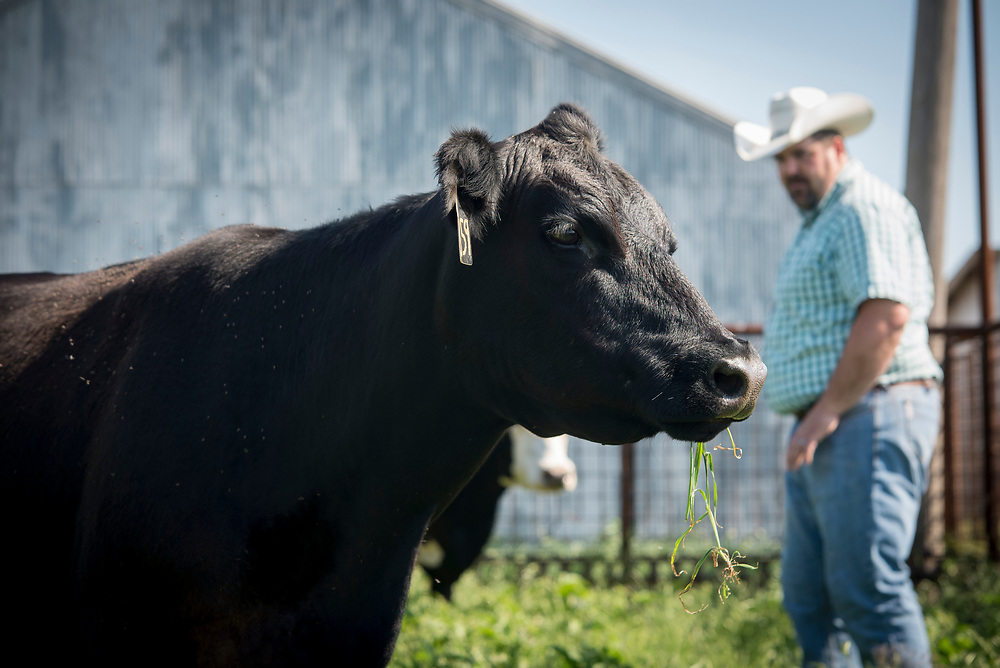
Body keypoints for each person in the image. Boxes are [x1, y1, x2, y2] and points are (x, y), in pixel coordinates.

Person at [734, 87, 943, 667]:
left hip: (865, 415)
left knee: (867, 592)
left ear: (837, 146)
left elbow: (884, 318)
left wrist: (824, 413)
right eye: (782, 159)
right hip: (835, 422)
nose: (790, 170)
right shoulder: (823, 219)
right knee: (810, 599)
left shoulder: (859, 207)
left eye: (802, 154)